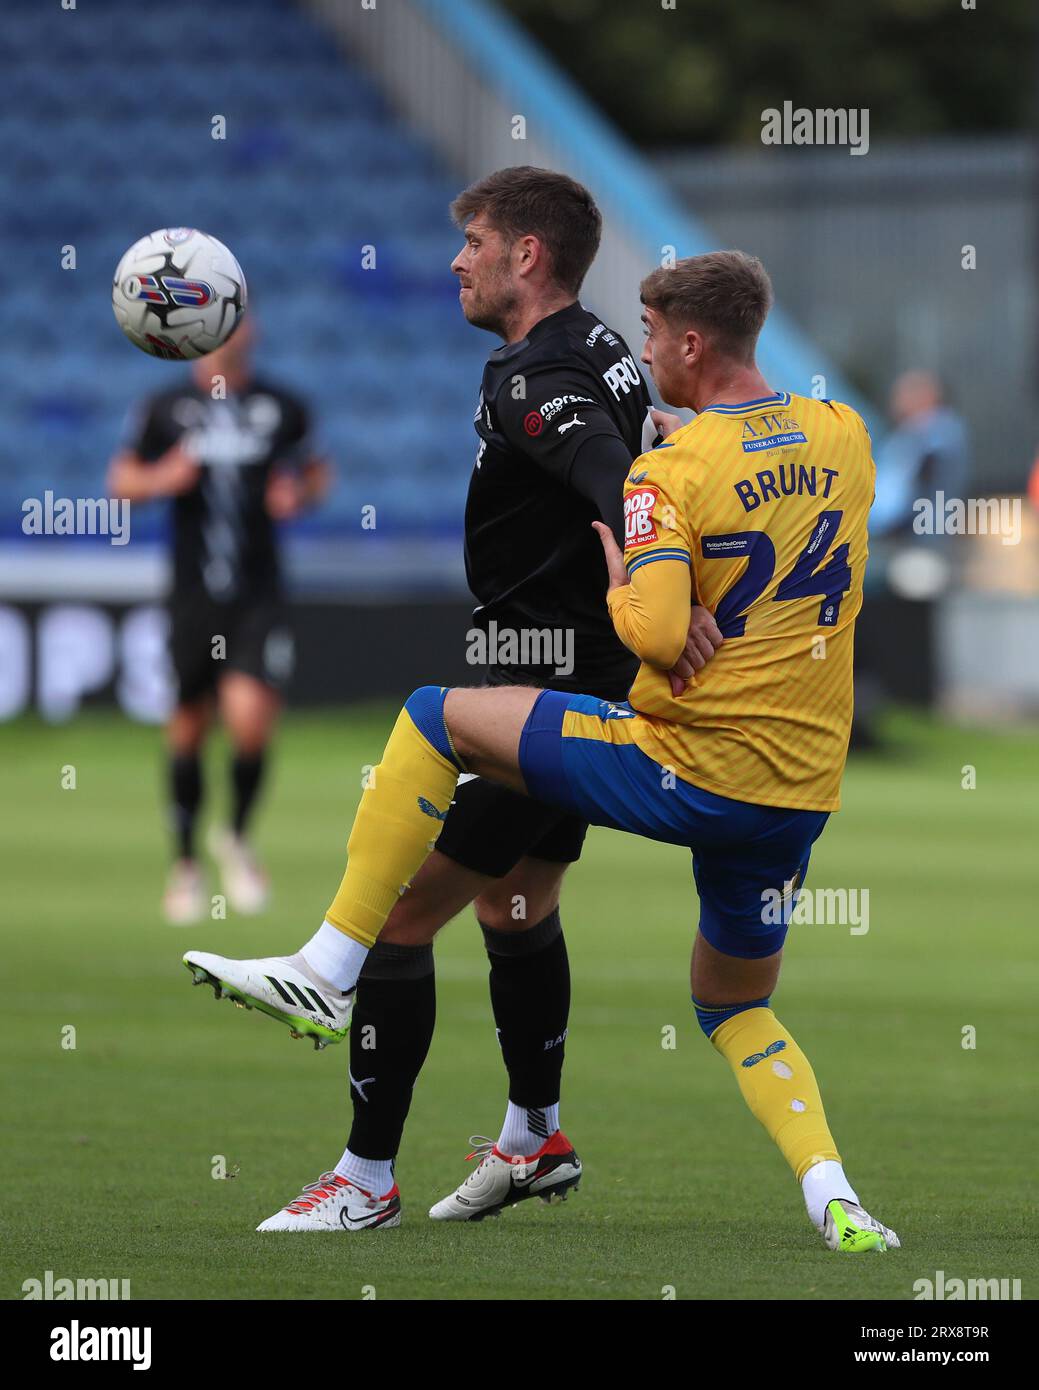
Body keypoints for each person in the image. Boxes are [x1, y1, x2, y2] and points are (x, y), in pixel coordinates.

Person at [187, 249, 900, 1253]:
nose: (643, 351)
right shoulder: (845, 434)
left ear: (690, 342)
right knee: (732, 1005)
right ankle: (834, 1197)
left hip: (680, 766)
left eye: (654, 335)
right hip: (797, 796)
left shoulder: (667, 474)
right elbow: (772, 485)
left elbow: (654, 633)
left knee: (436, 717)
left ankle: (326, 971)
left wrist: (629, 563)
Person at [183, 167, 721, 1230]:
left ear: (527, 254)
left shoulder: (535, 376)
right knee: (514, 907)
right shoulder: (604, 343)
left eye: (474, 239)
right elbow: (643, 446)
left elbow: (614, 475)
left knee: (400, 918)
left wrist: (655, 585)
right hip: (575, 671)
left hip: (548, 686)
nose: (457, 259)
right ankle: (535, 1136)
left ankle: (363, 1177)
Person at [107, 319, 330, 923]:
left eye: (241, 321)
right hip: (191, 596)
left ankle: (233, 834)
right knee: (187, 725)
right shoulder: (166, 409)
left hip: (257, 594)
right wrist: (162, 477)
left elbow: (317, 471)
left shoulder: (281, 407)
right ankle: (183, 864)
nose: (235, 335)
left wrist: (300, 494)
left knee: (252, 721)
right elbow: (120, 481)